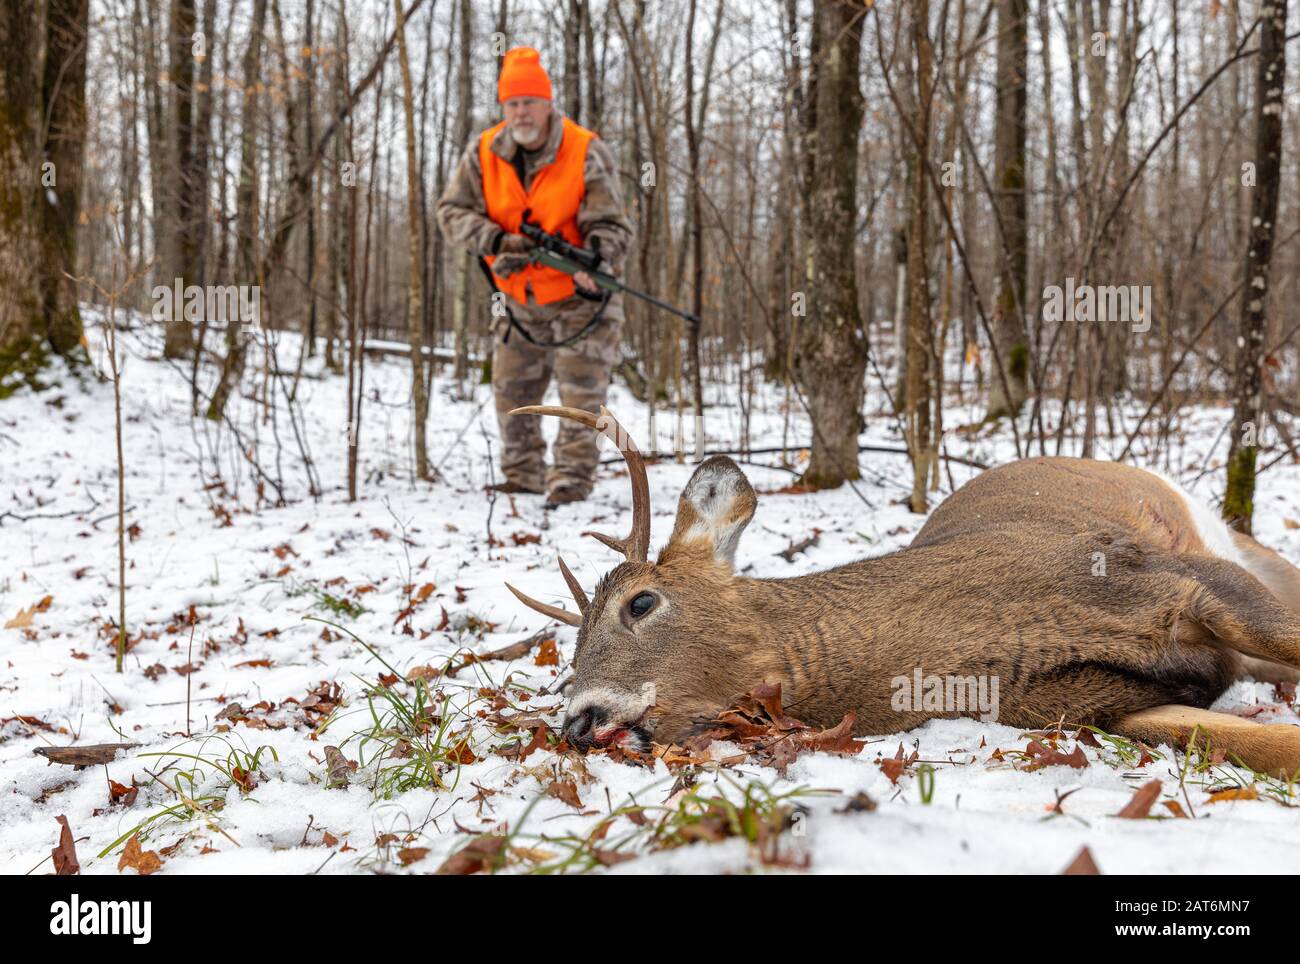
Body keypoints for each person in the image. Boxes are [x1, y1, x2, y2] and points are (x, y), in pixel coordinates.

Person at [436, 46, 633, 507]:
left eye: (529, 101)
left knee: (580, 395)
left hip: (579, 299)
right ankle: (523, 474)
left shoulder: (585, 149)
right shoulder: (482, 152)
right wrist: (496, 240)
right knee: (512, 389)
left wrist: (595, 261)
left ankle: (570, 481)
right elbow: (450, 211)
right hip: (517, 298)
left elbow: (613, 226)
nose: (521, 112)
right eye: (512, 103)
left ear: (548, 103)